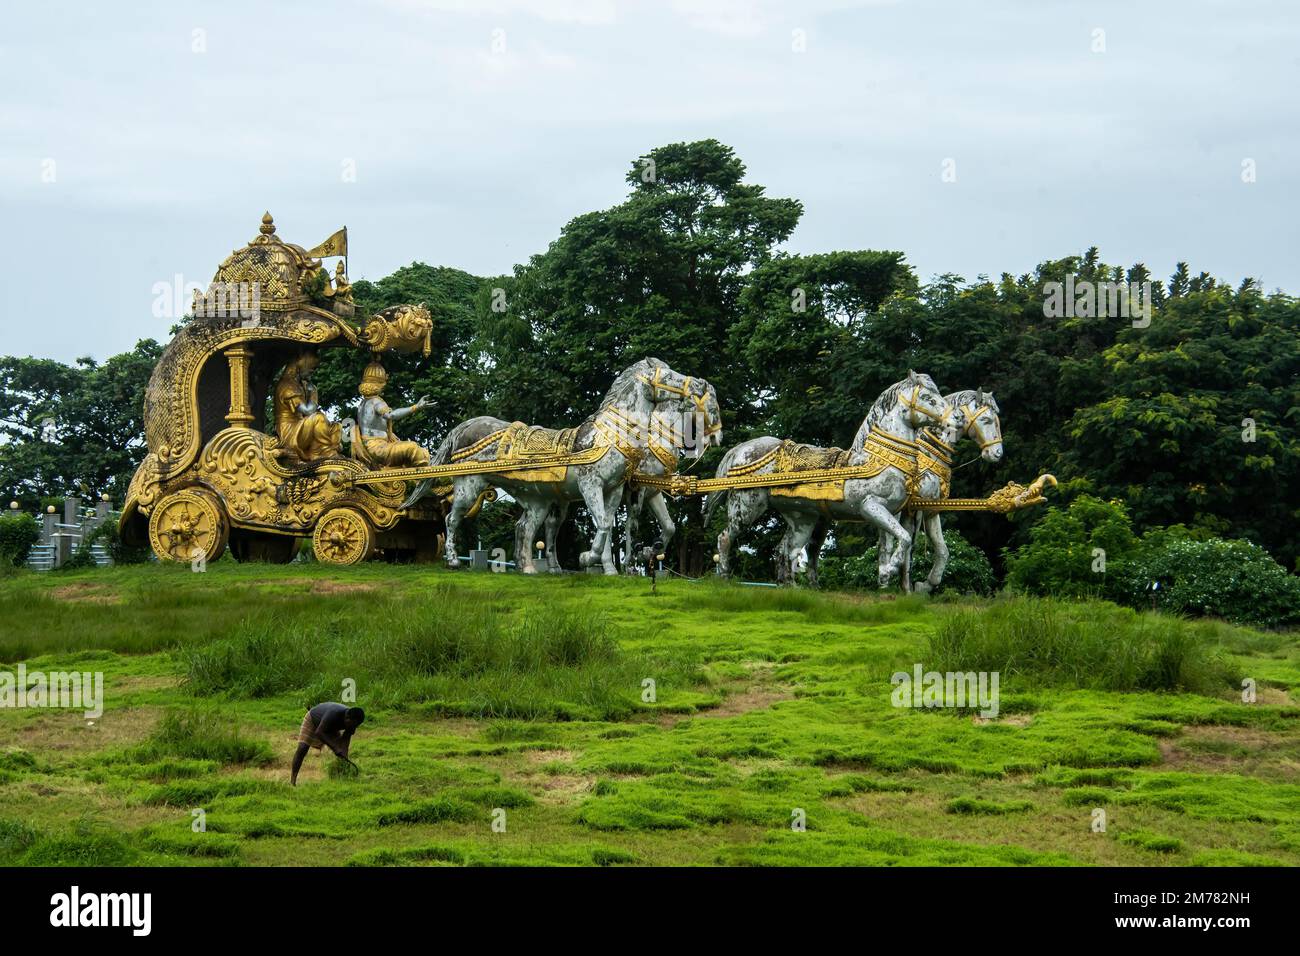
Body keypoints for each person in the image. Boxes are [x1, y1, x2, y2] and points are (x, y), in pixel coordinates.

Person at [356, 361, 432, 467]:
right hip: (378, 448)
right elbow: (391, 415)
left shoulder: (362, 404)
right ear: (381, 384)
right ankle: (425, 480)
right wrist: (415, 407)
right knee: (413, 448)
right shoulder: (376, 402)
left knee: (418, 451)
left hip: (374, 446)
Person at [274, 350, 341, 461]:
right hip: (290, 432)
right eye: (311, 368)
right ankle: (326, 452)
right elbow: (308, 411)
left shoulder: (299, 385)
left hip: (300, 426)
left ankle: (318, 452)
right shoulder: (287, 385)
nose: (313, 370)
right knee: (319, 418)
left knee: (336, 426)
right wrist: (313, 395)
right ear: (300, 360)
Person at [291, 702, 364, 785]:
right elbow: (319, 732)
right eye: (353, 725)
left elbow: (345, 741)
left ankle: (342, 778)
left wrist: (344, 757)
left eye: (357, 726)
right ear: (347, 718)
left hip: (331, 727)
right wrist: (335, 748)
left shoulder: (352, 722)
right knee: (302, 748)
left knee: (341, 753)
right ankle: (292, 781)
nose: (354, 728)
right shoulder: (334, 713)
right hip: (313, 720)